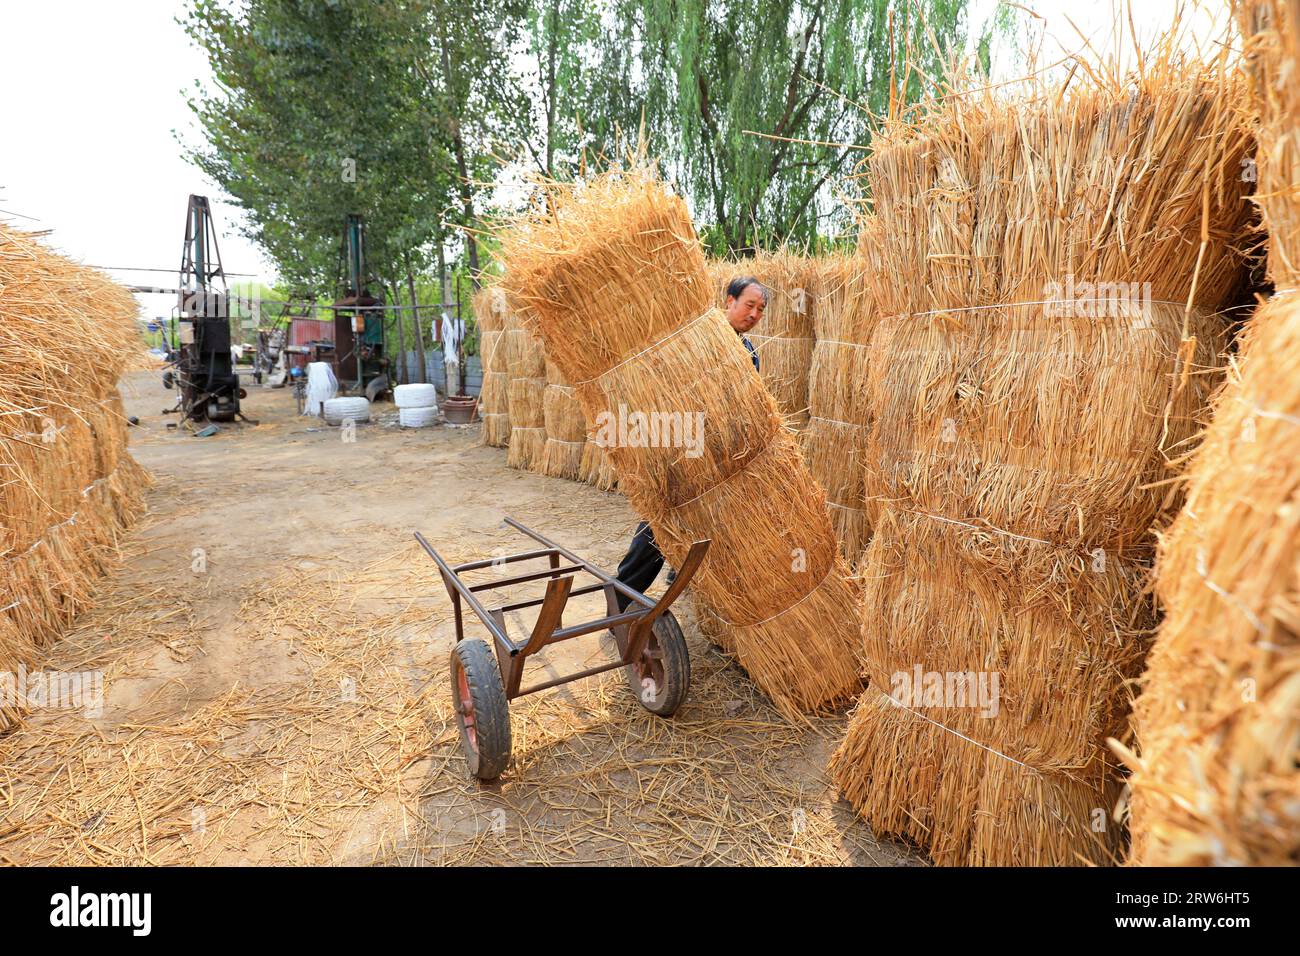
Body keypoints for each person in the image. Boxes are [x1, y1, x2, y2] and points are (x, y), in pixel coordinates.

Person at [613, 276, 767, 610]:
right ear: (729, 300)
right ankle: (621, 601)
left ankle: (679, 576)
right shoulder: (702, 338)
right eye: (749, 305)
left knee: (710, 523)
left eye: (760, 309)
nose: (754, 314)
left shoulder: (749, 353)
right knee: (661, 523)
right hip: (685, 449)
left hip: (720, 458)